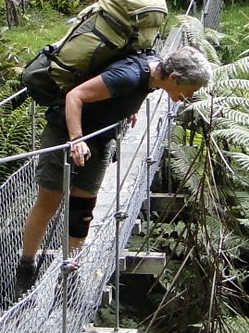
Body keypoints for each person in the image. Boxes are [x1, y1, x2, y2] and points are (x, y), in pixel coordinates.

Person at [15, 44, 212, 291]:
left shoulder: (155, 75)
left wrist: (130, 109)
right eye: (190, 90)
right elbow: (74, 97)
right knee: (48, 204)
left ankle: (68, 272)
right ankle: (26, 265)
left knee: (83, 210)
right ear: (173, 78)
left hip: (101, 139)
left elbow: (140, 90)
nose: (190, 97)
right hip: (65, 135)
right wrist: (76, 141)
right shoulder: (128, 76)